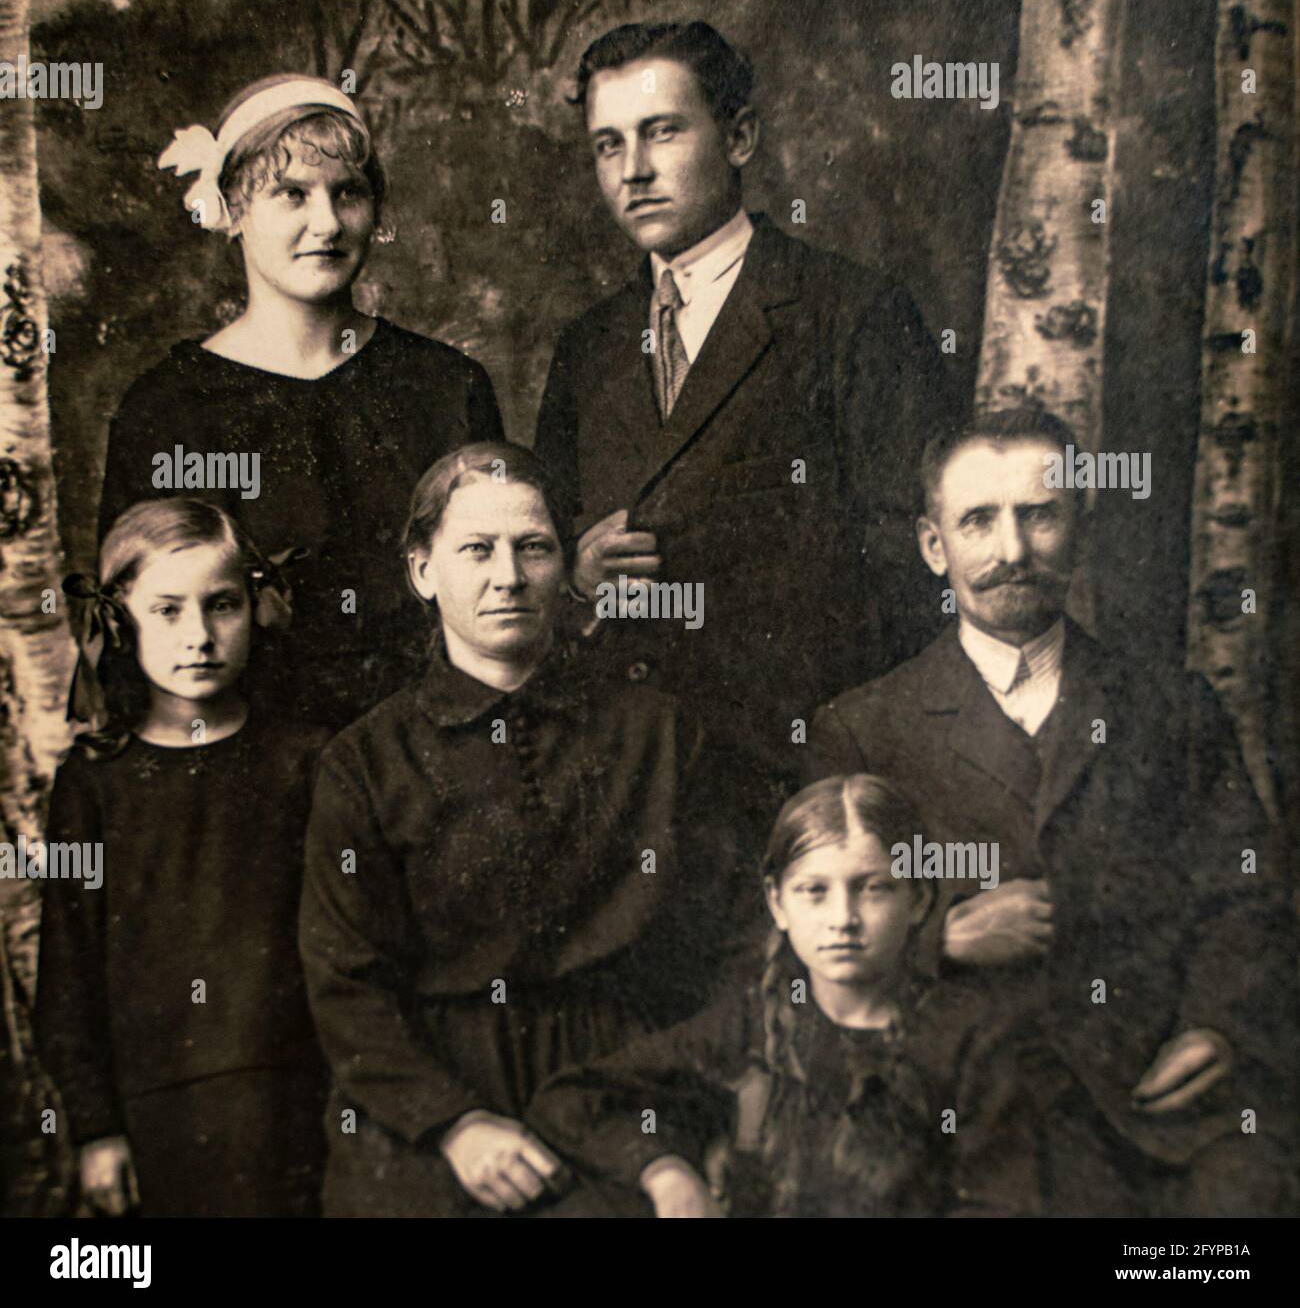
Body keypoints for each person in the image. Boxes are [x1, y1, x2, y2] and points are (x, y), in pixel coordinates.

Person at [804, 408, 1299, 1216]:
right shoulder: (863, 728)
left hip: (1149, 1104)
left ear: (1081, 530)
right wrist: (936, 937)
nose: (1011, 551)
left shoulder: (1172, 708)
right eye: (978, 521)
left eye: (1040, 515)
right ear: (935, 547)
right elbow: (793, 930)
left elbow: (1246, 899)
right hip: (951, 1116)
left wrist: (1218, 1024)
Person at [299, 442, 738, 1217]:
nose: (508, 575)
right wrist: (456, 1124)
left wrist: (680, 1125)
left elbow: (730, 944)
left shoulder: (659, 733)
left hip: (623, 1082)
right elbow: (345, 982)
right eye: (476, 549)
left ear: (563, 563)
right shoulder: (364, 762)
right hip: (431, 1097)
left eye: (533, 547)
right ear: (421, 570)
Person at [534, 21, 958, 822]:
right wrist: (579, 585)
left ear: (739, 137)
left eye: (662, 132)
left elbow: (914, 574)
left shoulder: (854, 314)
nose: (634, 171)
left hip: (794, 788)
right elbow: (544, 553)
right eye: (607, 144)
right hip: (621, 791)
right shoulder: (586, 347)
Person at [100, 73, 503, 730]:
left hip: (432, 756)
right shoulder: (168, 411)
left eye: (348, 193)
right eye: (292, 194)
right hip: (249, 770)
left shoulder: (445, 387)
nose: (327, 222)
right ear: (231, 211)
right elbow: (135, 645)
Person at [526, 775, 1052, 1218]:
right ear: (777, 903)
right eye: (814, 891)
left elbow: (1000, 1203)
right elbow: (570, 1100)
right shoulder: (752, 1023)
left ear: (918, 900)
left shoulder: (971, 1037)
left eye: (873, 888)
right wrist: (663, 1170)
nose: (842, 919)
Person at [34, 499, 329, 1217]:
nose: (199, 634)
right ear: (116, 619)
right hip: (158, 1108)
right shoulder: (94, 784)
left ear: (254, 608)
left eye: (222, 604)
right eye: (167, 610)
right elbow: (68, 967)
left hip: (301, 1098)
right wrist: (96, 1128)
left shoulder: (309, 760)